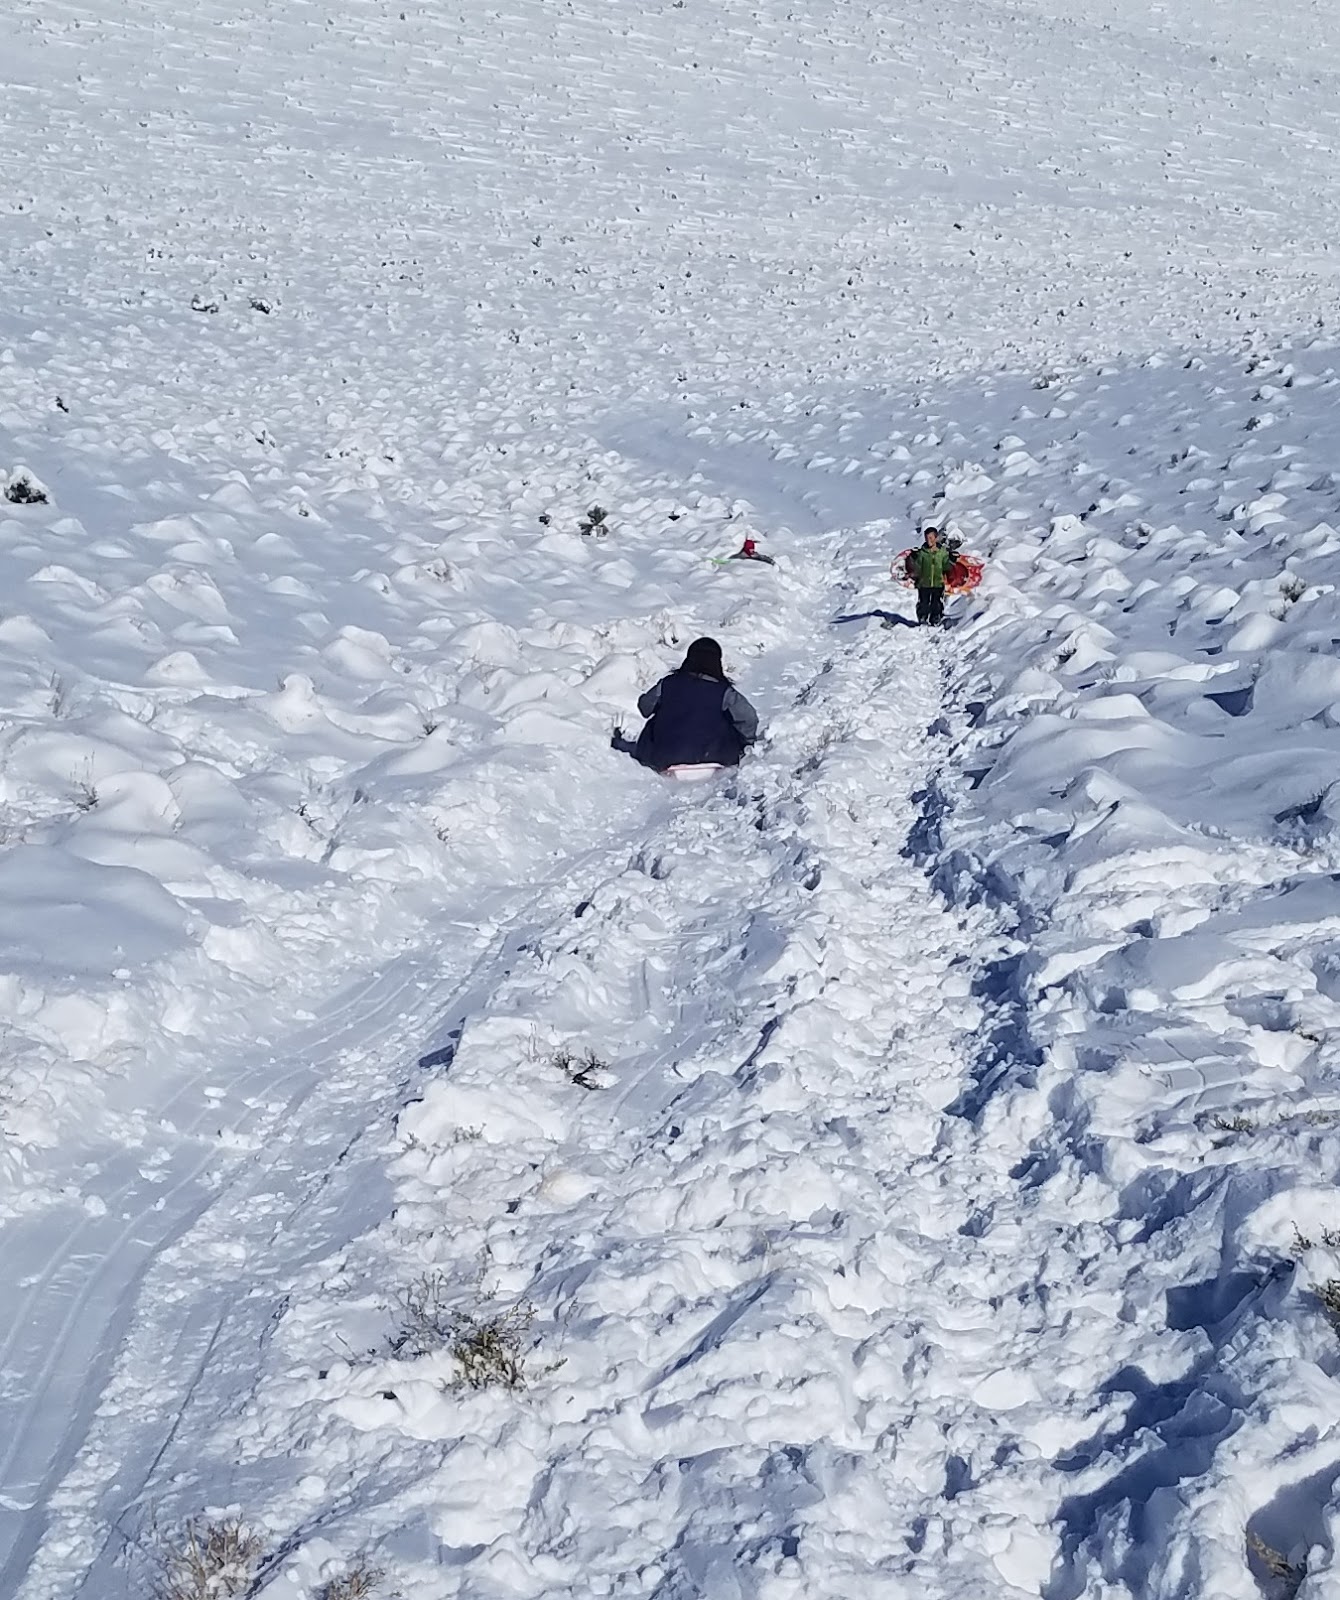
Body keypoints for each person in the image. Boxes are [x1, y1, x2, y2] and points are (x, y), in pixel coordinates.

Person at [633, 637, 760, 771]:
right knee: (730, 721)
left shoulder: (667, 684)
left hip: (665, 757)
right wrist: (747, 742)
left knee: (653, 723)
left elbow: (644, 708)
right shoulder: (724, 692)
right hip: (716, 756)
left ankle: (646, 761)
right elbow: (748, 718)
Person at [900, 526, 953, 625]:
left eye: (931, 538)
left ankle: (935, 618)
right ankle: (922, 617)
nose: (929, 541)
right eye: (926, 538)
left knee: (936, 603)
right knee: (924, 602)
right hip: (924, 583)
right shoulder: (922, 553)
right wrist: (913, 559)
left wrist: (951, 561)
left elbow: (946, 566)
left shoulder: (942, 553)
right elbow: (917, 567)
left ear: (936, 538)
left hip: (938, 583)